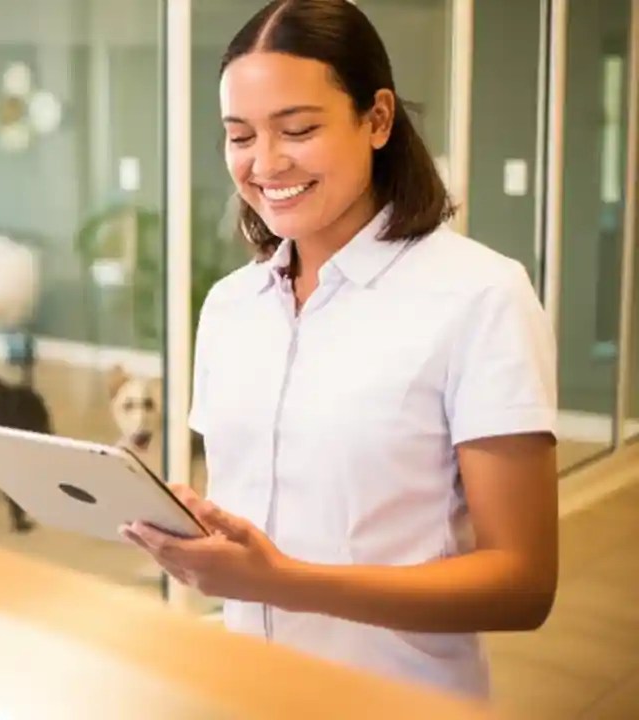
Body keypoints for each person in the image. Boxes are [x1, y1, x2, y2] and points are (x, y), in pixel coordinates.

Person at [121, 0, 558, 701]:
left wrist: (281, 583)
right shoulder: (231, 306)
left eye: (298, 129)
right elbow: (269, 501)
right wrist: (200, 533)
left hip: (397, 700)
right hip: (241, 688)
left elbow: (522, 584)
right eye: (239, 136)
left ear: (378, 119)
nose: (265, 163)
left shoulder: (481, 296)